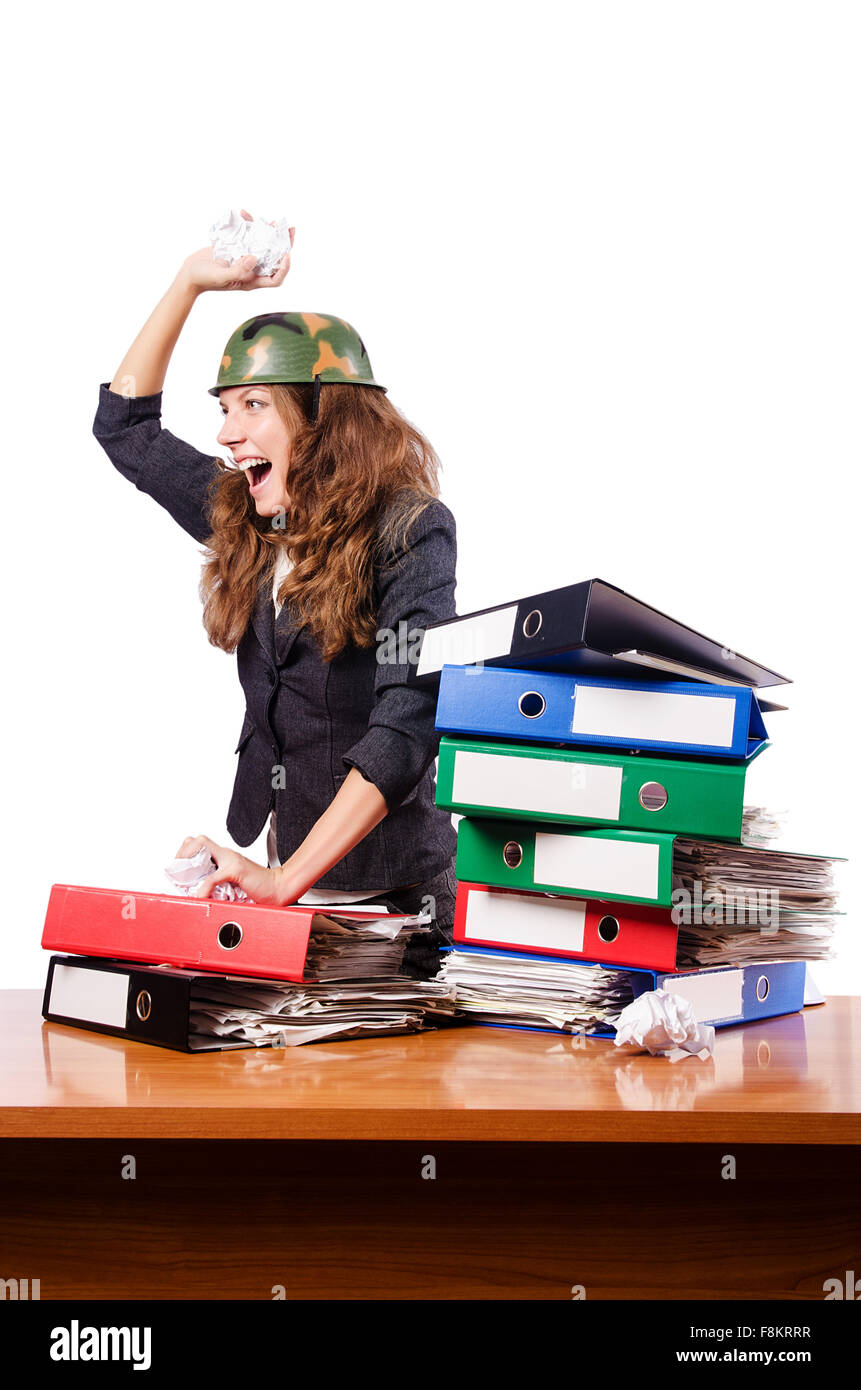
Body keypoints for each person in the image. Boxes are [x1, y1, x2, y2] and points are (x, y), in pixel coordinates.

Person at [92, 221, 457, 975]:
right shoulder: (249, 517)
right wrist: (189, 280)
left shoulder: (411, 530)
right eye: (224, 408)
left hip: (393, 901)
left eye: (252, 405)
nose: (227, 434)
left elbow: (406, 725)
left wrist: (284, 882)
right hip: (287, 884)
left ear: (324, 419)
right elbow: (124, 427)